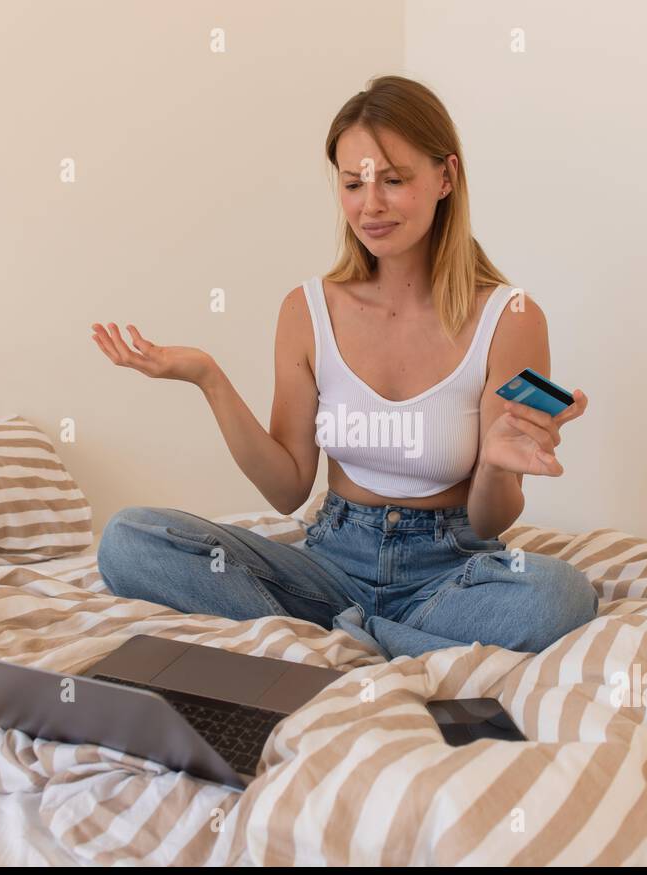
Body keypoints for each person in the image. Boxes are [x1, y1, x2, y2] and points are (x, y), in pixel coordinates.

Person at [90, 75, 598, 660]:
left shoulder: (509, 317)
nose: (370, 204)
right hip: (330, 562)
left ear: (446, 178)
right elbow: (286, 491)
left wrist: (497, 469)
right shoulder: (306, 310)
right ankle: (388, 639)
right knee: (128, 540)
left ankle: (345, 637)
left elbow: (491, 519)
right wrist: (209, 377)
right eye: (353, 183)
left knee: (559, 596)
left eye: (394, 180)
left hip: (451, 570)